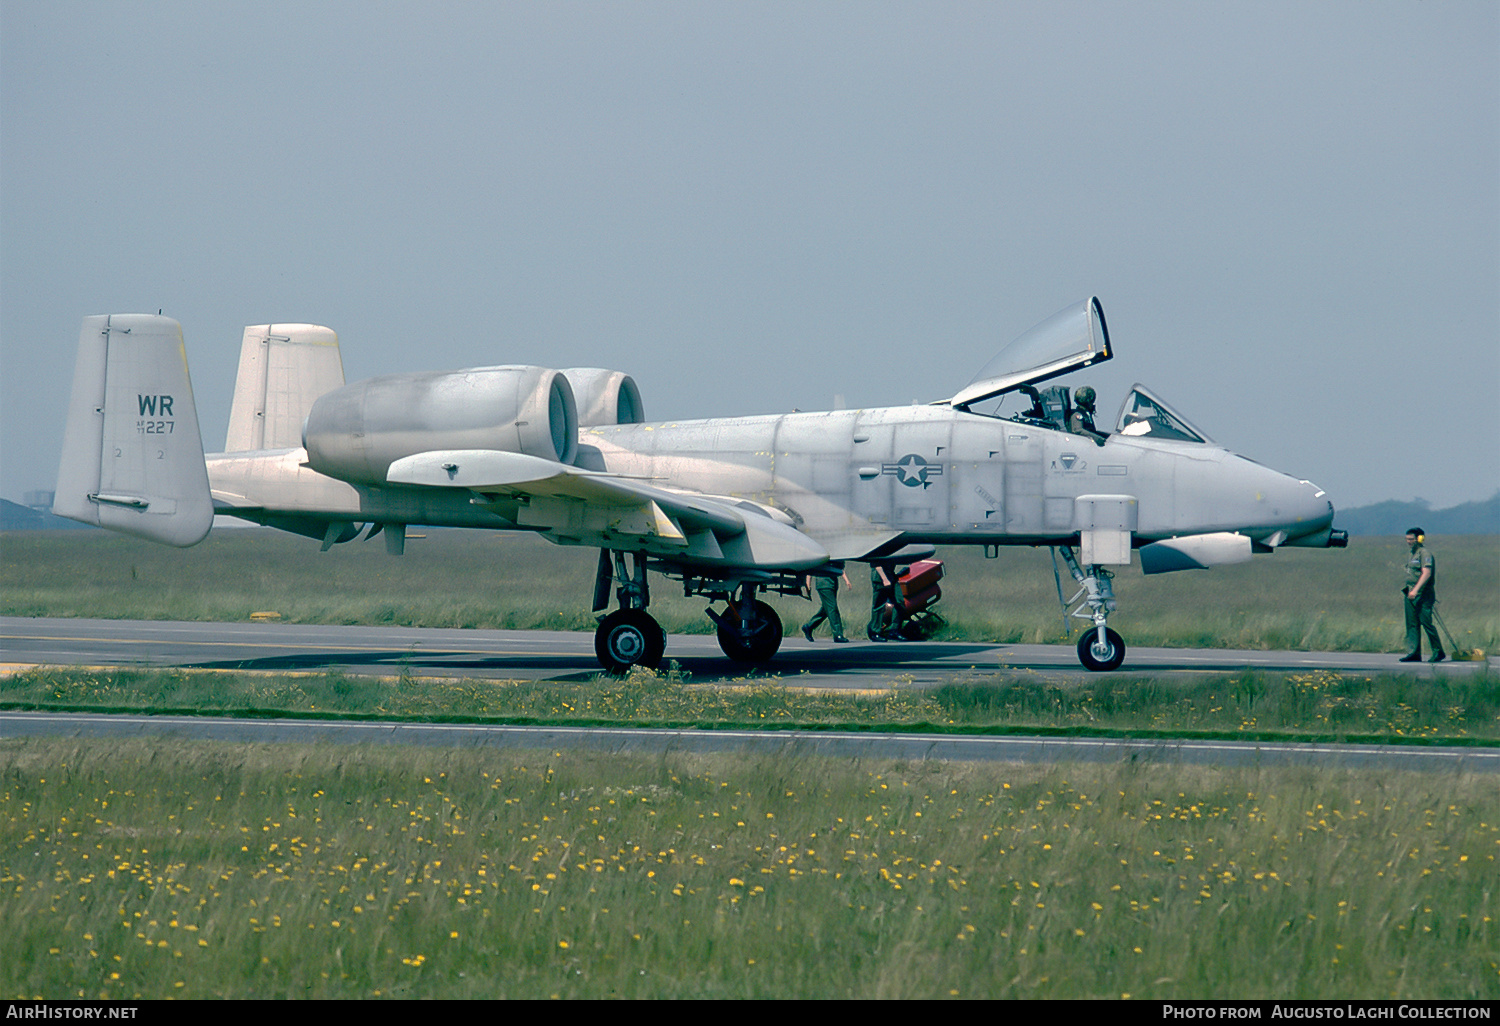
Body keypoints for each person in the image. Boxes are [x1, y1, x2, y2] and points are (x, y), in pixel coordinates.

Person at [1400, 527, 1444, 663]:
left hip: (1423, 593)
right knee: (1412, 623)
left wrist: (1416, 590)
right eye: (1407, 539)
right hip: (1410, 592)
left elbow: (1426, 573)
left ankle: (1438, 651)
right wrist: (1410, 590)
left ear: (1420, 538)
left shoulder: (1424, 553)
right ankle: (1413, 652)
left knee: (1426, 622)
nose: (1409, 542)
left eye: (1411, 539)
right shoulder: (1412, 553)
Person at [801, 562, 851, 643]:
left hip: (833, 582)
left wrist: (846, 580)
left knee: (826, 609)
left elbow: (840, 568)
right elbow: (811, 567)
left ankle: (809, 626)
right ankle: (838, 634)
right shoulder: (822, 555)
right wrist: (808, 584)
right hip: (823, 583)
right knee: (832, 608)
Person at [868, 563, 899, 641]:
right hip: (880, 578)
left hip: (890, 576)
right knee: (879, 606)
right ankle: (875, 632)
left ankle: (894, 630)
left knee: (899, 602)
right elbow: (876, 563)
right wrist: (884, 579)